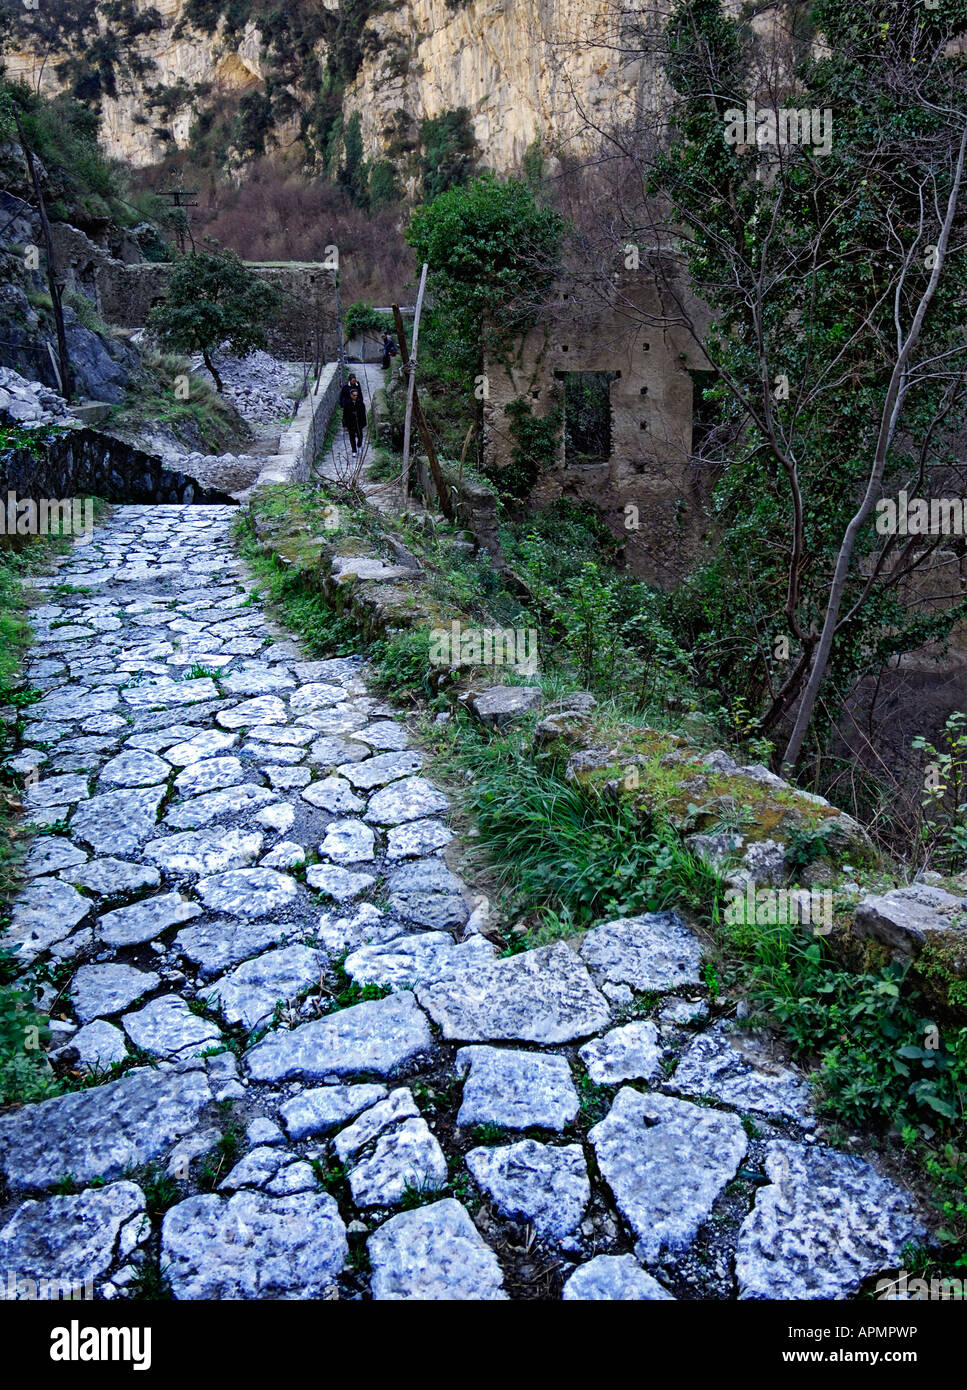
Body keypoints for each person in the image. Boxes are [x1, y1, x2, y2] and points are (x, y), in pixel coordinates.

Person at [342, 385, 367, 455]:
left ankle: (359, 445)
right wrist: (345, 424)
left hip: (359, 422)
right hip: (351, 423)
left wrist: (364, 423)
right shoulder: (347, 404)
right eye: (354, 395)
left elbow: (363, 414)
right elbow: (344, 415)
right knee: (352, 437)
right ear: (351, 395)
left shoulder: (361, 404)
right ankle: (354, 450)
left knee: (360, 436)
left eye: (356, 395)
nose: (355, 396)